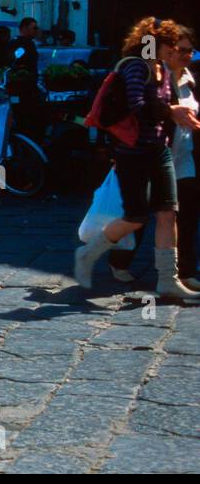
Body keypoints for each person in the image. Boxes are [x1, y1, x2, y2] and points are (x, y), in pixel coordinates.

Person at [75, 18, 200, 299]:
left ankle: (168, 280)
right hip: (133, 153)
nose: (175, 54)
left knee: (168, 213)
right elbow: (136, 105)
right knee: (136, 217)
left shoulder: (162, 70)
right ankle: (88, 253)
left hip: (160, 150)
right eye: (171, 48)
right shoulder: (136, 66)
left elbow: (165, 107)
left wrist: (177, 113)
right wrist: (171, 111)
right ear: (154, 44)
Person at [162, 29, 200, 291]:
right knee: (138, 218)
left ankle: (184, 272)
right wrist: (169, 112)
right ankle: (116, 259)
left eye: (190, 50)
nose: (187, 55)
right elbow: (142, 110)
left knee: (186, 216)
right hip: (157, 158)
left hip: (185, 157)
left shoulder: (192, 79)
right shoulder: (155, 77)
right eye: (181, 50)